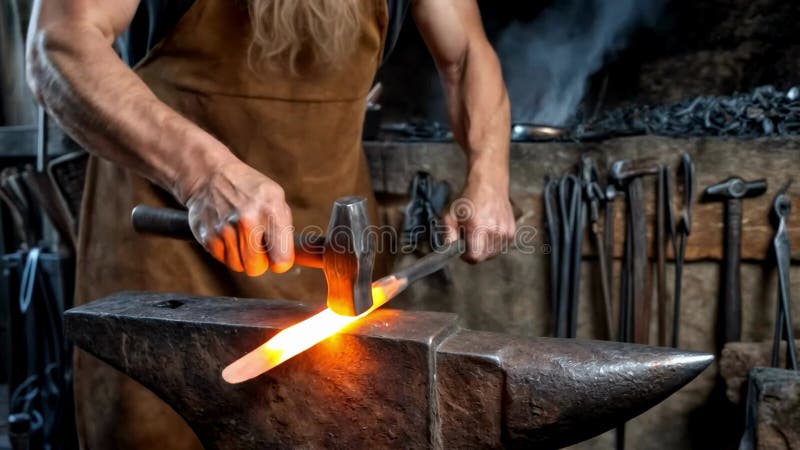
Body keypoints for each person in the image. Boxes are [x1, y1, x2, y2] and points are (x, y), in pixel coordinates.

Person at [27, 0, 514, 448]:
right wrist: (202, 174)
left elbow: (467, 54)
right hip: (169, 242)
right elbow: (59, 44)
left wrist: (489, 175)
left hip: (323, 257)